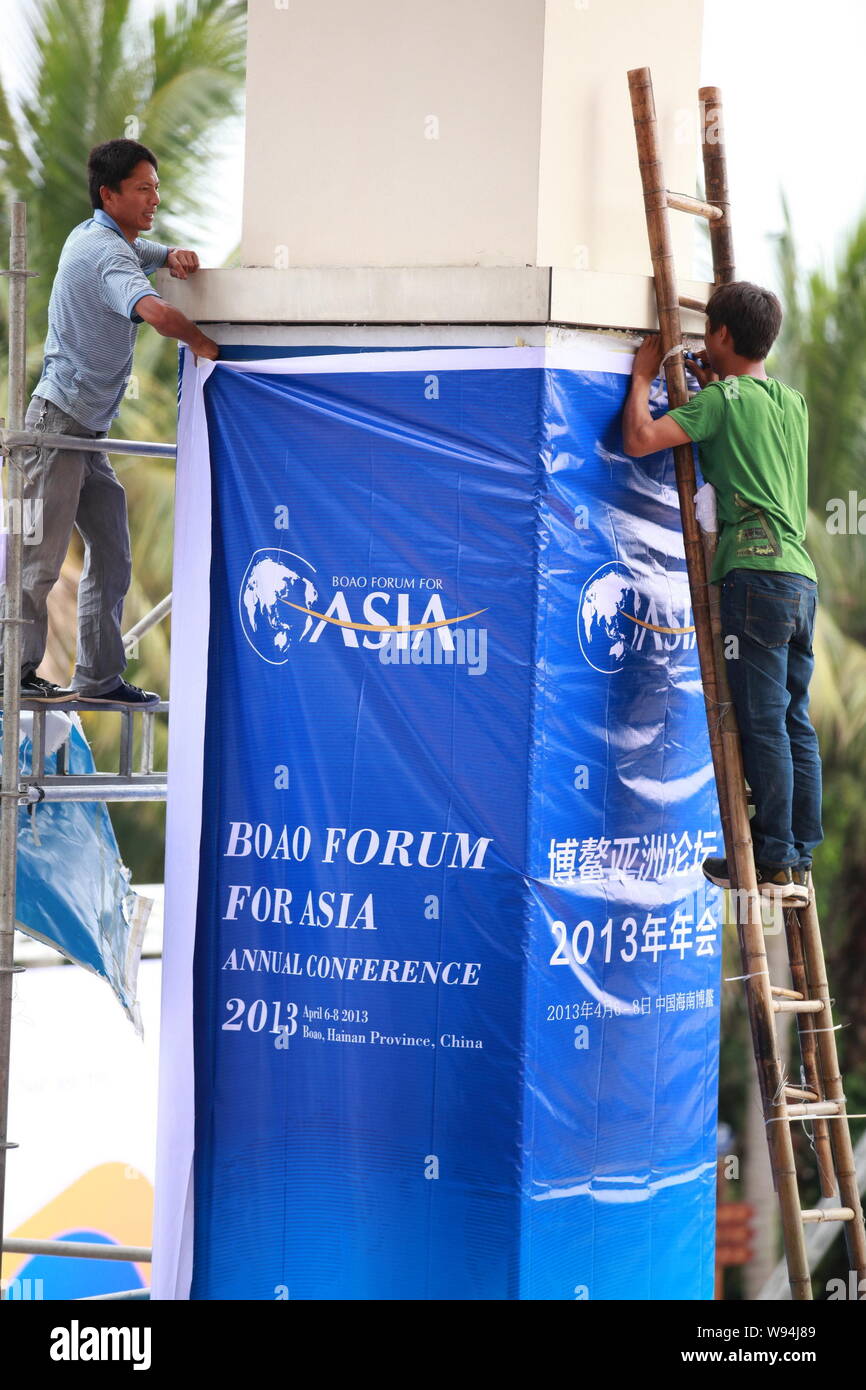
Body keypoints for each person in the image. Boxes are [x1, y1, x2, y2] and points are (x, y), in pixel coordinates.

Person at [622, 281, 820, 907]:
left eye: (709, 332)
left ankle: (770, 859)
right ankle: (797, 854)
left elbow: (638, 439)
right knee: (793, 720)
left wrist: (642, 374)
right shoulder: (792, 401)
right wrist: (718, 389)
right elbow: (747, 425)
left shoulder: (721, 402)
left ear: (724, 337)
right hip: (800, 578)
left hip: (753, 577)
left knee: (761, 720)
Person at [2, 138, 219, 706]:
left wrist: (173, 252)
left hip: (84, 431)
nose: (154, 198)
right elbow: (154, 311)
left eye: (156, 187)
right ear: (110, 194)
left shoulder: (103, 237)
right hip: (56, 428)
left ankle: (98, 677)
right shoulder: (104, 255)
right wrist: (203, 344)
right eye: (143, 188)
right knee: (38, 561)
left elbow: (146, 253)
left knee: (114, 550)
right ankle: (13, 676)